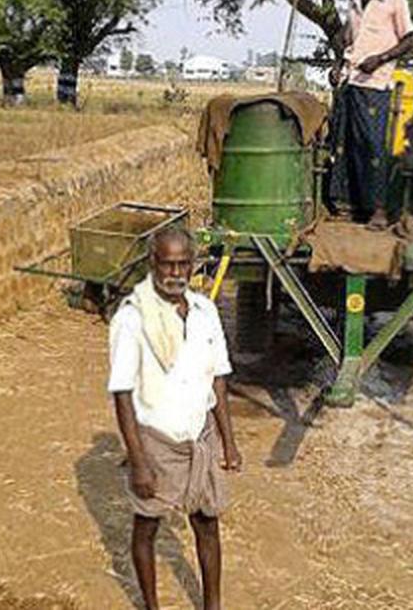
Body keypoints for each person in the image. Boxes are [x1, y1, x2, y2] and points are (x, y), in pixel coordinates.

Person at [107, 228, 242, 610]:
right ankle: (152, 606)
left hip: (199, 435)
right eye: (168, 263)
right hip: (156, 441)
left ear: (193, 264)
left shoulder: (205, 312)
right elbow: (122, 395)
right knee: (147, 526)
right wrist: (138, 462)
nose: (176, 272)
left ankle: (212, 605)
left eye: (183, 263)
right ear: (153, 264)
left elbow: (217, 377)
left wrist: (228, 442)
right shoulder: (132, 319)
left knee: (207, 522)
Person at [329, 0, 413, 230]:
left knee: (374, 147)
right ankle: (348, 206)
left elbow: (409, 41)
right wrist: (337, 66)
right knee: (345, 145)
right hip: (351, 82)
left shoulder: (394, 1)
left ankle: (379, 211)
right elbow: (346, 40)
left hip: (376, 84)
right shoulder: (354, 5)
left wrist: (380, 59)